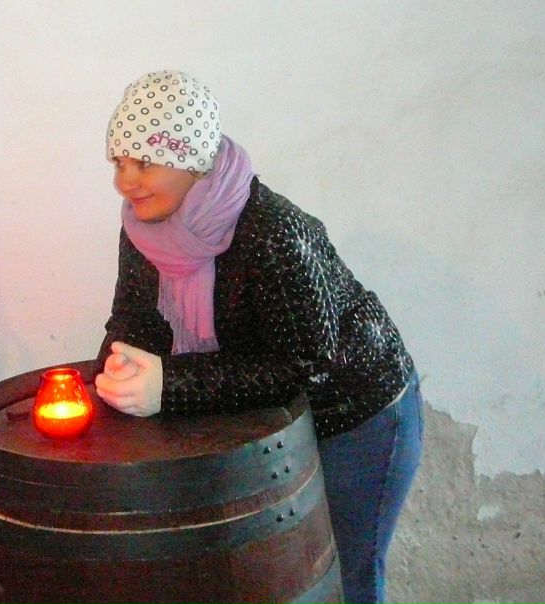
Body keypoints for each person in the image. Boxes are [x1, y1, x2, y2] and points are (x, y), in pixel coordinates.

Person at [93, 70, 424, 604]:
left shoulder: (272, 230)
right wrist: (113, 372)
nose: (125, 181)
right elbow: (134, 319)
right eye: (119, 163)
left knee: (343, 574)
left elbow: (304, 364)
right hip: (267, 421)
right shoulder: (144, 228)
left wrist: (169, 385)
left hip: (354, 416)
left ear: (192, 161)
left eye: (144, 163)